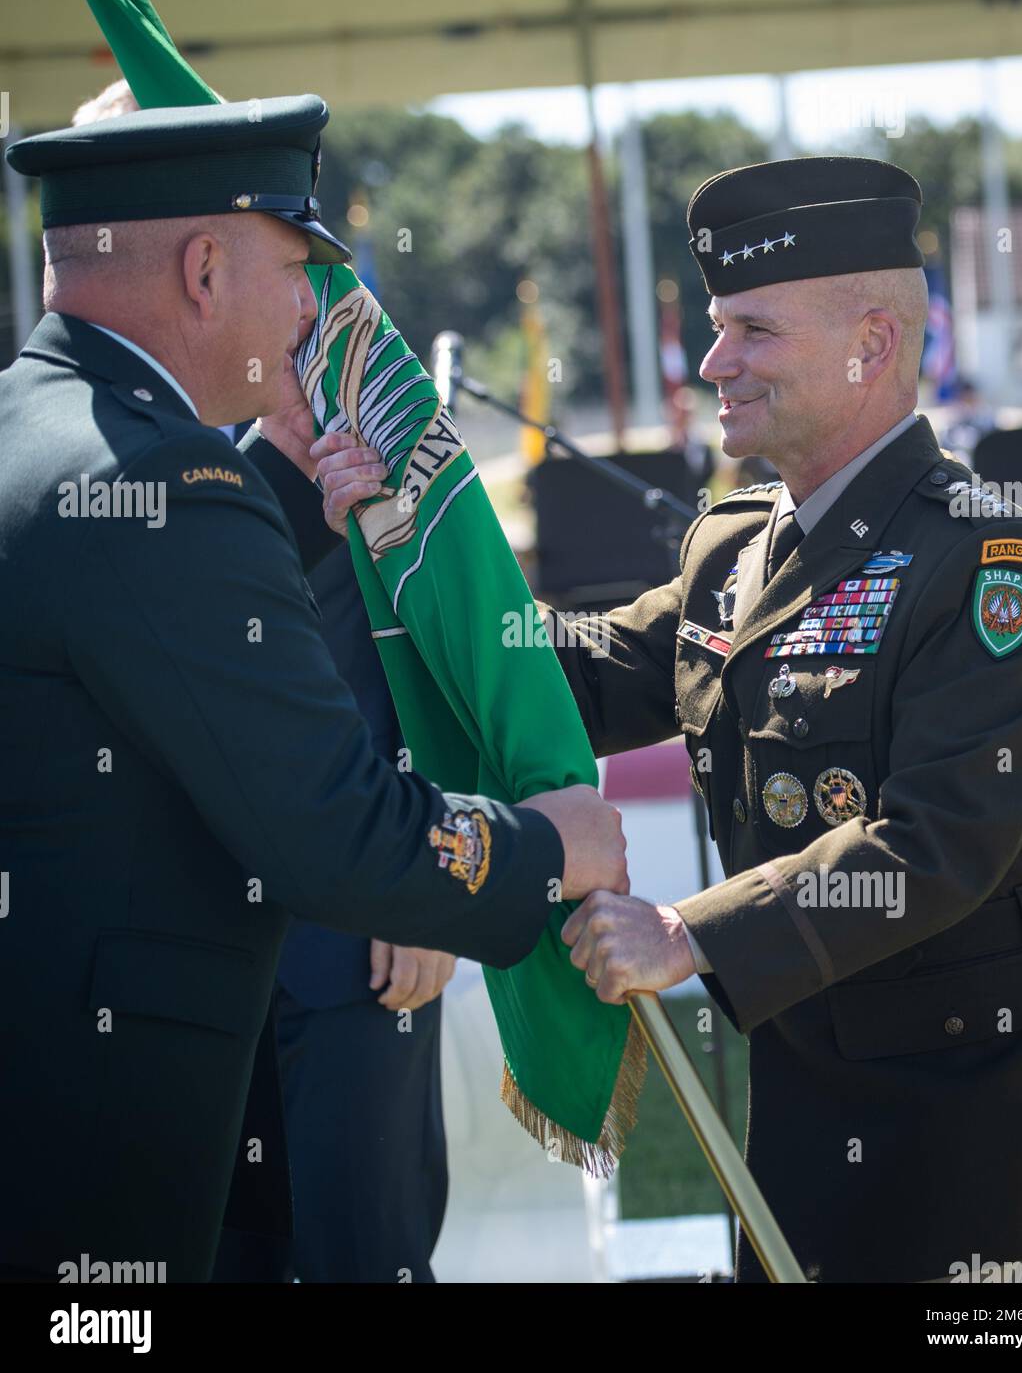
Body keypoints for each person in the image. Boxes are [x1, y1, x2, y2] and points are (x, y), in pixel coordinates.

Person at [319, 155, 1022, 1285]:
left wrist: (687, 933)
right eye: (712, 327)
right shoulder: (733, 547)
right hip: (794, 1124)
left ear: (870, 343)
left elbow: (936, 845)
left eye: (752, 331)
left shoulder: (992, 567)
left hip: (958, 1155)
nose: (710, 364)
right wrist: (401, 545)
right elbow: (567, 675)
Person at [0, 95, 627, 1283]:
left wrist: (290, 494)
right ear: (201, 269)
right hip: (113, 1149)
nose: (313, 310)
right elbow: (328, 830)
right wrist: (547, 847)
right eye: (298, 269)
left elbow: (146, 648)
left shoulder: (40, 435)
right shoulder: (167, 480)